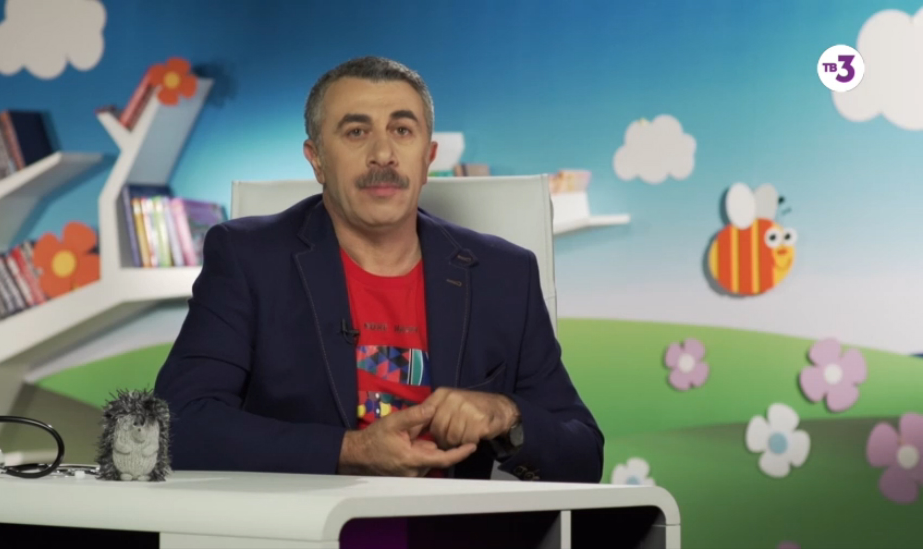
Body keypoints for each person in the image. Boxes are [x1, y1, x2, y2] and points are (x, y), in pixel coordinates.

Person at [154, 56, 604, 483]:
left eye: (402, 130)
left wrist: (507, 415)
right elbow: (180, 424)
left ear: (428, 158)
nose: (383, 154)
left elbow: (583, 454)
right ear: (317, 158)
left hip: (454, 525)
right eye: (356, 132)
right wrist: (350, 451)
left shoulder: (505, 275)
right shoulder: (248, 258)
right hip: (310, 526)